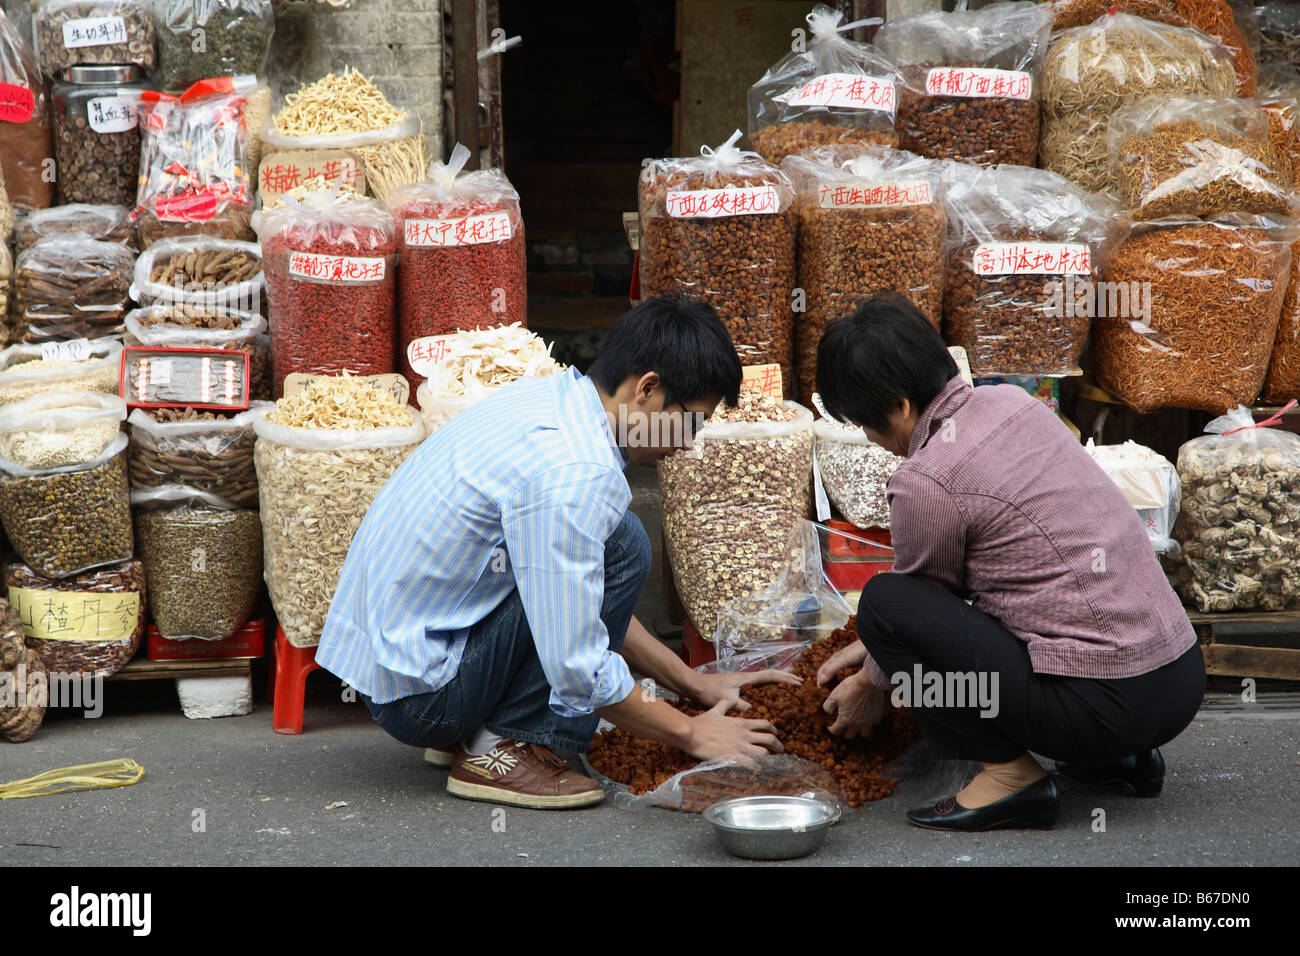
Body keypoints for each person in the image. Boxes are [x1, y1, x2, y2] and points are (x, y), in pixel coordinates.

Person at [316, 296, 797, 810]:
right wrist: (693, 734)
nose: (687, 445)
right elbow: (576, 660)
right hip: (422, 699)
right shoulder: (575, 475)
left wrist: (690, 682)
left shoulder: (556, 399)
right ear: (648, 390)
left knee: (618, 540)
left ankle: (480, 726)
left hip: (398, 661)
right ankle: (507, 745)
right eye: (691, 423)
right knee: (625, 545)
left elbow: (571, 592)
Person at [812, 292, 1206, 831]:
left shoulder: (926, 478)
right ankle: (1119, 760)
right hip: (1177, 679)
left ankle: (1011, 777)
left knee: (883, 601)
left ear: (900, 407)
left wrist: (870, 683)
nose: (872, 440)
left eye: (867, 424)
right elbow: (988, 584)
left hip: (1102, 707)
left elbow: (917, 605)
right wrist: (870, 649)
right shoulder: (1014, 405)